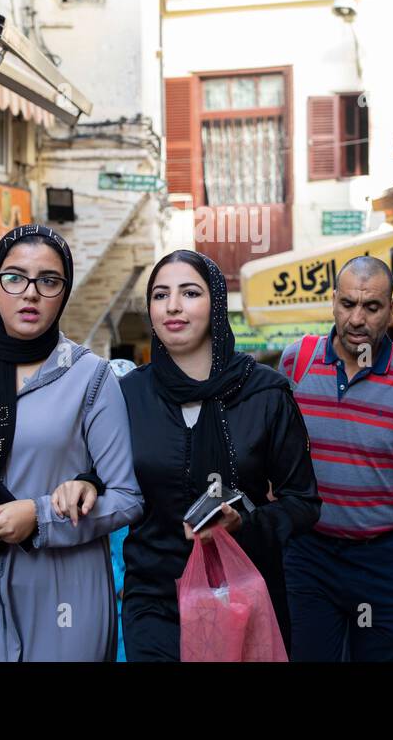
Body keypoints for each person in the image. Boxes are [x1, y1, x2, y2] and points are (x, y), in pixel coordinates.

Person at [57, 250, 320, 661]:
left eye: (190, 292)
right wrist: (84, 483)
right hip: (155, 599)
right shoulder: (126, 396)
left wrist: (244, 523)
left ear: (216, 304)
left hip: (242, 594)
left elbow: (303, 503)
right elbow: (102, 471)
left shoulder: (265, 394)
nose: (173, 306)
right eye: (160, 295)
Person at [0, 224, 143, 661]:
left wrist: (38, 518)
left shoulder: (90, 378)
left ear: (64, 291)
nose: (30, 293)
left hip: (61, 591)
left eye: (48, 281)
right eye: (14, 277)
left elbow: (127, 497)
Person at [279, 255, 393, 662]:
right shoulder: (297, 361)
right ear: (332, 302)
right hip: (309, 555)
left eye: (372, 307)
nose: (357, 318)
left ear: (391, 310)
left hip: (385, 560)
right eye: (348, 304)